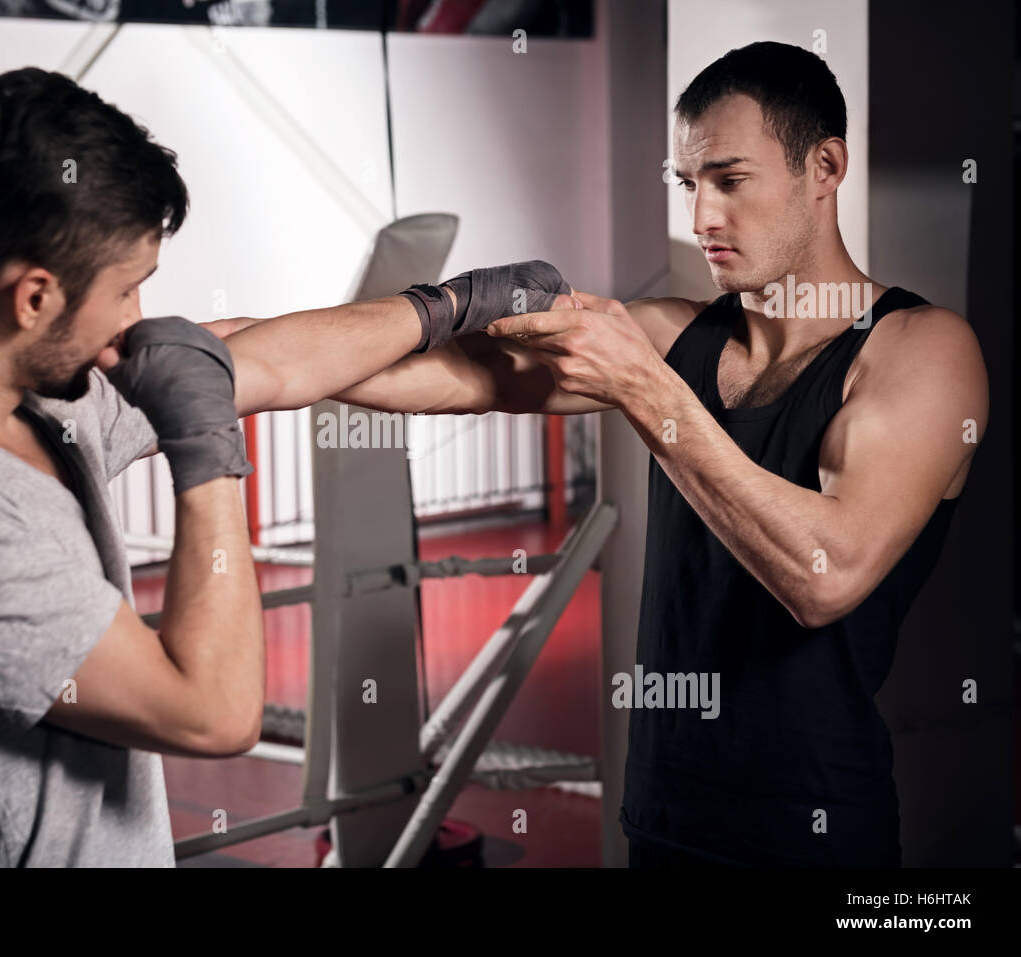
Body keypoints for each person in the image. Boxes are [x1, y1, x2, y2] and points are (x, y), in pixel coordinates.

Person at [224, 41, 986, 866]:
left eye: (729, 181)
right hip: (662, 816)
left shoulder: (922, 351)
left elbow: (824, 575)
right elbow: (418, 371)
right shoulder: (671, 334)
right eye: (686, 185)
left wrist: (646, 390)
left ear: (824, 166)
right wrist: (231, 349)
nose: (701, 220)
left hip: (817, 831)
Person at [0, 66, 574, 867]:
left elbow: (253, 355)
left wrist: (444, 309)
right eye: (129, 290)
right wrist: (206, 460)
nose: (138, 319)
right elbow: (213, 712)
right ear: (32, 297)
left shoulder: (20, 387)